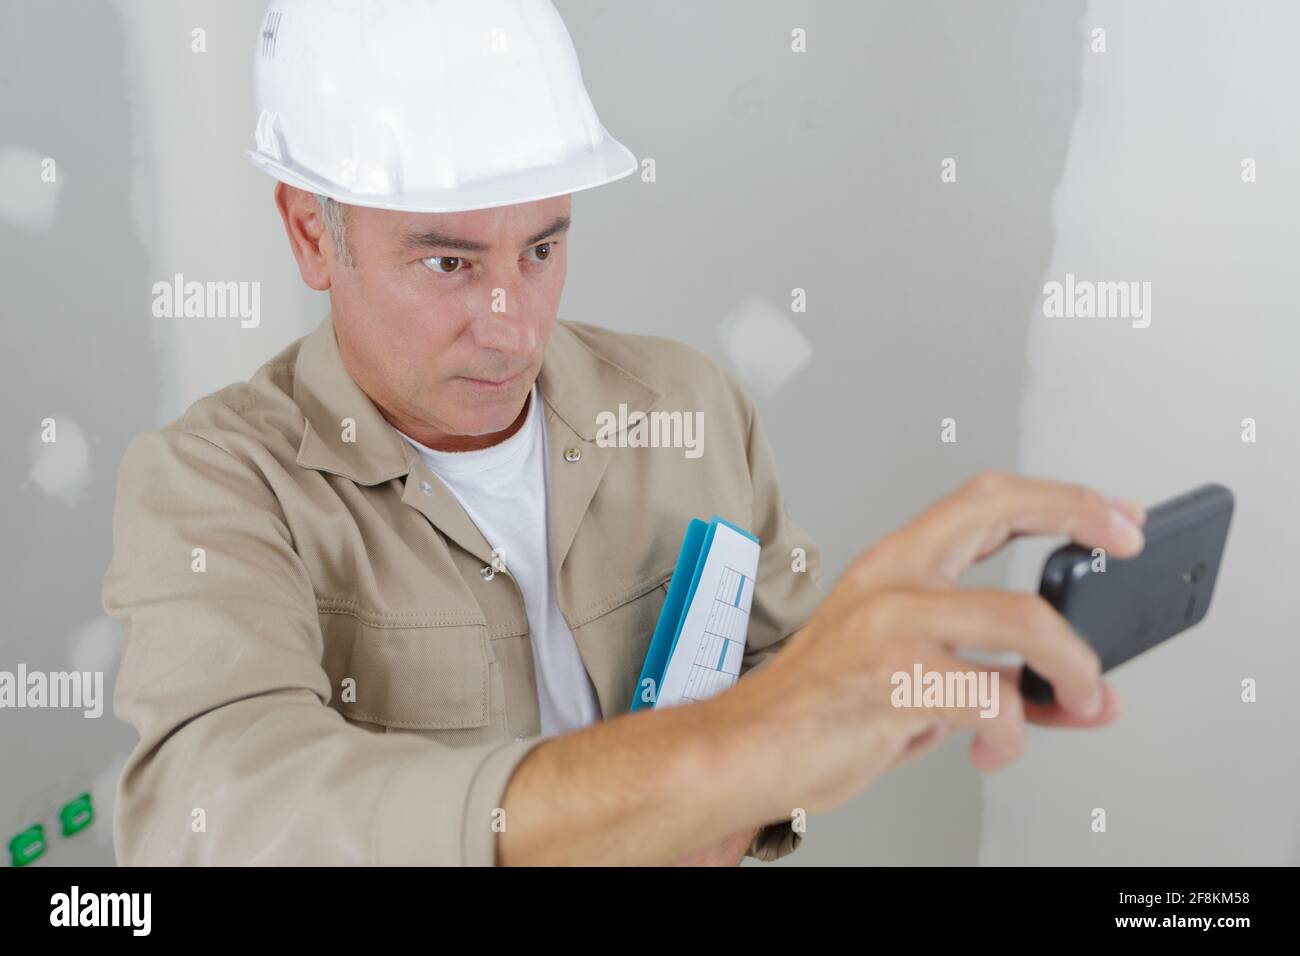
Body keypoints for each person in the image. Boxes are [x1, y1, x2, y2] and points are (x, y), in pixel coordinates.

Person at [103, 0, 1146, 866]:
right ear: (308, 234)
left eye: (544, 246)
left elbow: (783, 691)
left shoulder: (690, 405)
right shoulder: (214, 484)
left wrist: (868, 707)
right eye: (448, 264)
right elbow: (215, 807)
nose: (513, 320)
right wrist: (699, 762)